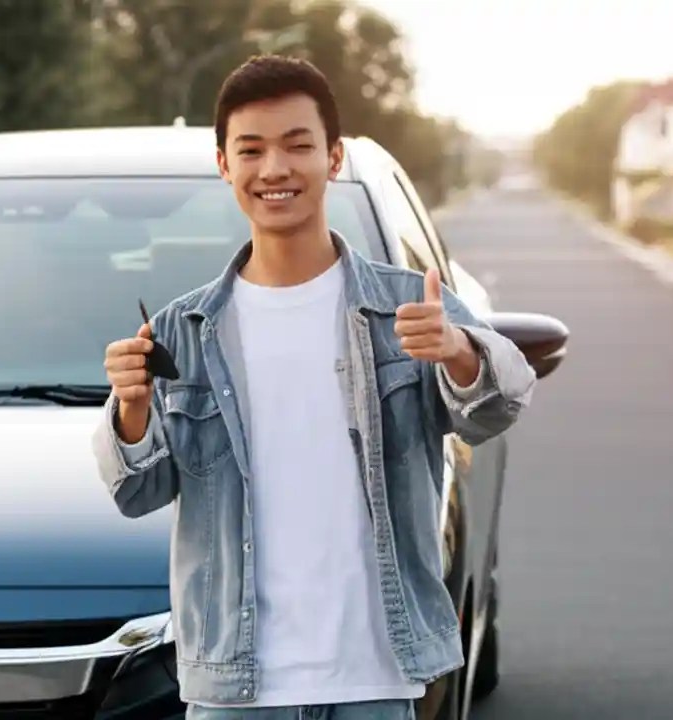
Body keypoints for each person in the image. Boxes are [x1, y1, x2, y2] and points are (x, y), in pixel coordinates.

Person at [92, 55, 536, 720]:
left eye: (298, 146)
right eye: (252, 150)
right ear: (224, 165)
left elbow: (499, 405)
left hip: (375, 678)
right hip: (236, 689)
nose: (275, 169)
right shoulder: (181, 333)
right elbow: (135, 491)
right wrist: (130, 410)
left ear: (332, 159)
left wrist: (460, 351)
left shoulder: (407, 308)